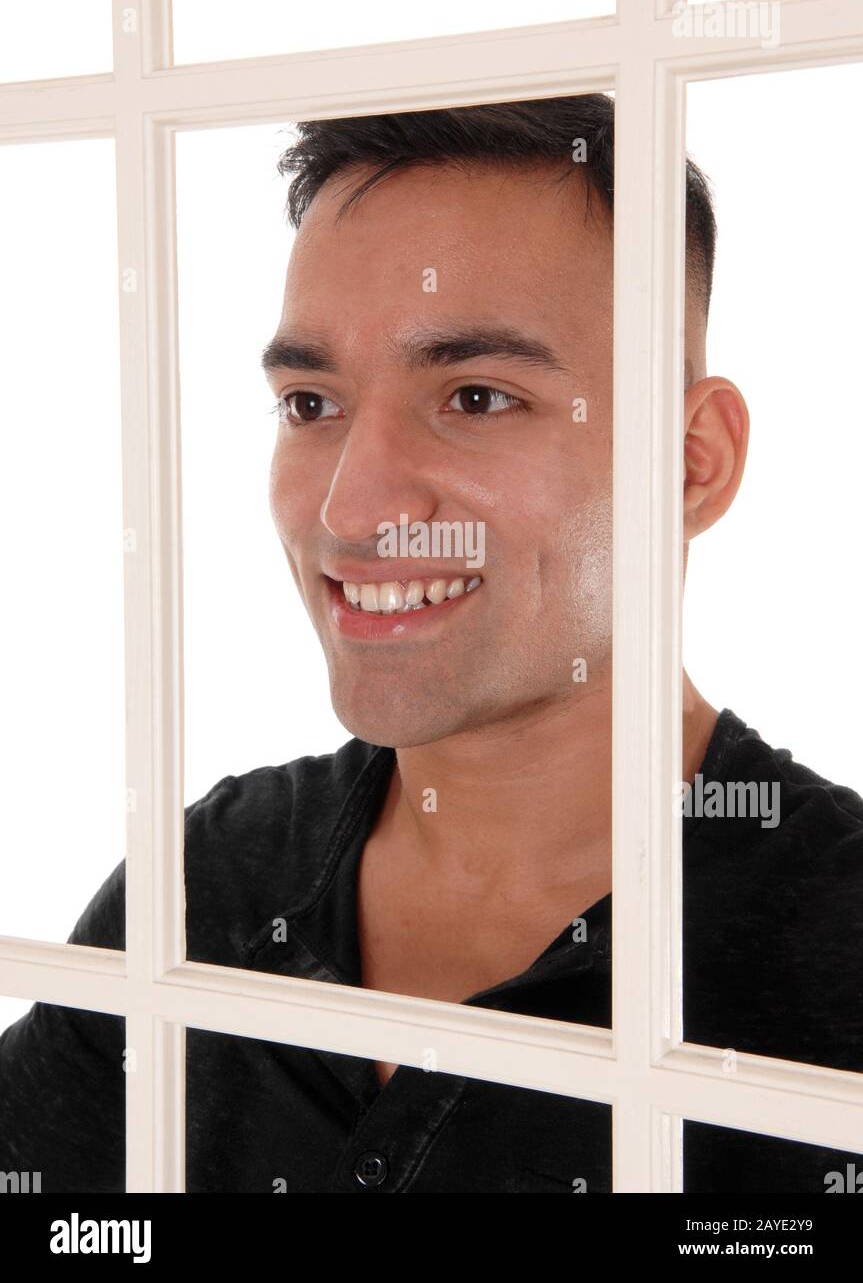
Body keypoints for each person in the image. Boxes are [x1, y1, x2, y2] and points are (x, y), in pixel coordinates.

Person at [2, 96, 861, 1193]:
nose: (352, 509)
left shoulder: (836, 954)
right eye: (310, 402)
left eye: (475, 395)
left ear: (689, 463)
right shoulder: (207, 882)